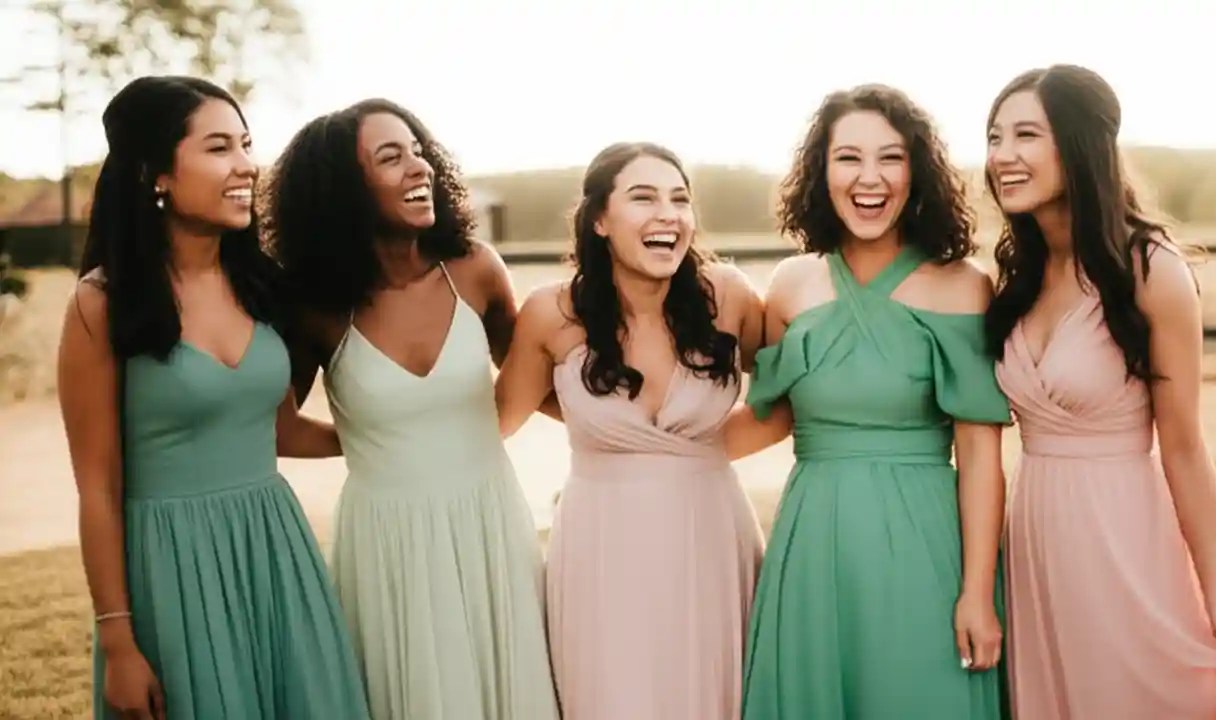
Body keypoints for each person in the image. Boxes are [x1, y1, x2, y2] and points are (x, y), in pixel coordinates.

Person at [56, 75, 369, 720]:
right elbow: (98, 486)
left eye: (247, 145)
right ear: (156, 173)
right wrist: (118, 639)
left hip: (275, 552)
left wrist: (379, 432)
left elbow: (280, 432)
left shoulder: (263, 288)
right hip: (169, 571)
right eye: (219, 147)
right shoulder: (102, 304)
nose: (246, 166)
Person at [984, 63, 1216, 719]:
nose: (1003, 156)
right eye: (995, 137)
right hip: (1037, 534)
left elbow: (1183, 444)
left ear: (1081, 142)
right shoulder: (1018, 272)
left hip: (1125, 534)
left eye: (1026, 135)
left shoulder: (1152, 271)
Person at [263, 98, 560, 720]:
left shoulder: (474, 270)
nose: (418, 168)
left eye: (419, 152)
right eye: (390, 157)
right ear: (343, 186)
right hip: (386, 538)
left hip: (489, 521)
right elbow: (277, 428)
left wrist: (630, 422)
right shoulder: (316, 306)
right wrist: (375, 439)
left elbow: (535, 382)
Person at [724, 84, 1011, 719]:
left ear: (918, 172)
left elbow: (981, 455)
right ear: (821, 171)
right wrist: (646, 453)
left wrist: (976, 592)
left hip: (926, 546)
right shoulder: (791, 284)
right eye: (848, 157)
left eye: (891, 157)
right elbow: (773, 419)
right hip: (814, 544)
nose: (870, 177)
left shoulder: (963, 288)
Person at [494, 141, 765, 719]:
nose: (668, 214)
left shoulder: (732, 298)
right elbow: (498, 421)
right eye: (643, 198)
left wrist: (694, 454)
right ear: (599, 219)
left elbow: (789, 403)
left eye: (680, 199)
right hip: (601, 546)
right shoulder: (551, 313)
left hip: (713, 534)